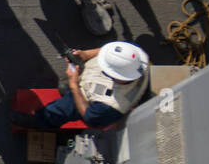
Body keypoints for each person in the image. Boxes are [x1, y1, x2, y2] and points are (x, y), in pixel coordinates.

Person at [11, 41, 150, 130]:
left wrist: (73, 85)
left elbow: (91, 118)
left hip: (88, 98)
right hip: (89, 81)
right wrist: (84, 55)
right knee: (65, 88)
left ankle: (39, 121)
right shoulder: (133, 54)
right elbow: (106, 51)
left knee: (61, 110)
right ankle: (67, 90)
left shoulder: (111, 105)